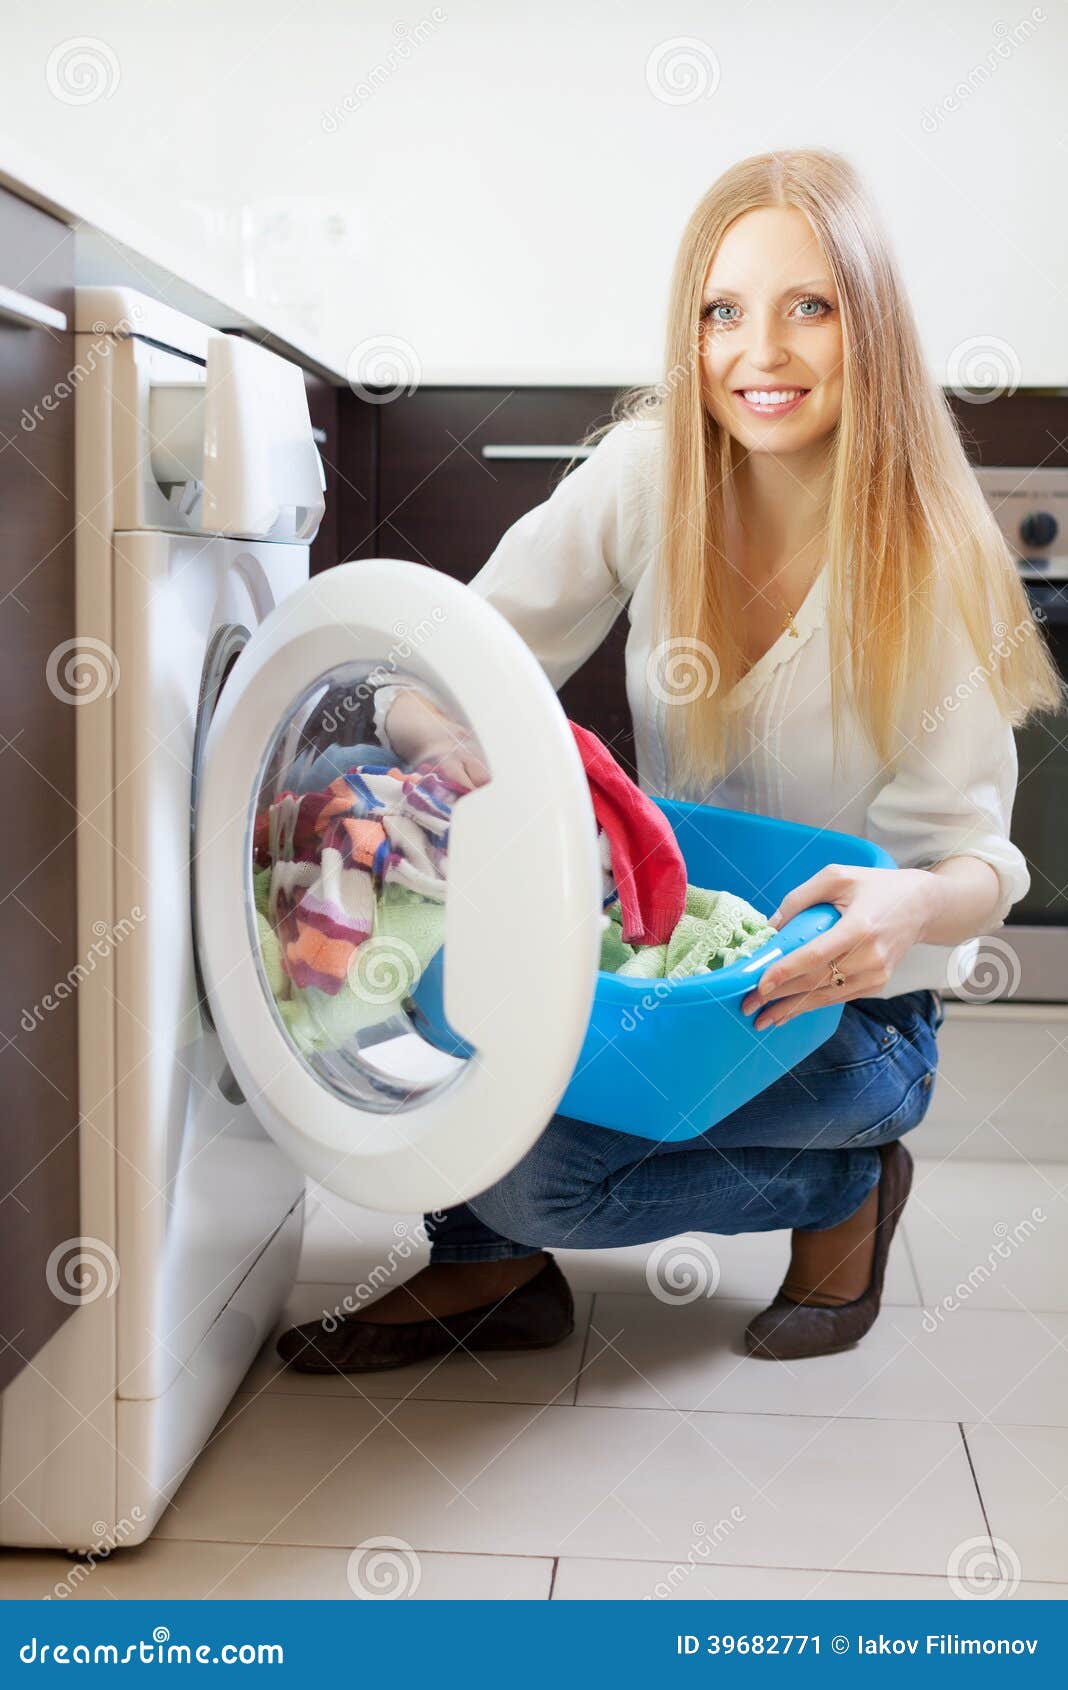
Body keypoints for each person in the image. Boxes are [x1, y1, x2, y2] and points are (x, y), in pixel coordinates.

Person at [278, 147, 1059, 1371]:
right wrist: (444, 744)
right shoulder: (652, 476)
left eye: (812, 307)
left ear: (873, 331)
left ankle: (846, 1185)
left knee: (540, 1178)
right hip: (661, 951)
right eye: (723, 312)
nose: (764, 352)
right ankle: (490, 1276)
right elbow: (459, 655)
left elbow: (980, 864)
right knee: (462, 1030)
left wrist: (907, 900)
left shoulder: (936, 561)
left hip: (847, 1008)